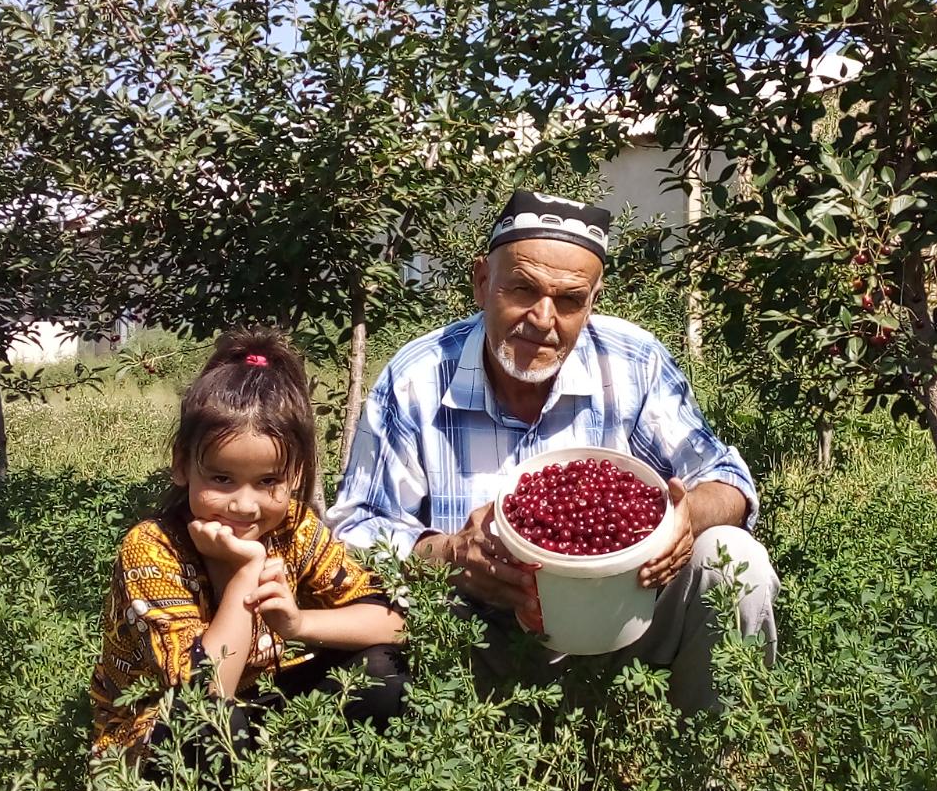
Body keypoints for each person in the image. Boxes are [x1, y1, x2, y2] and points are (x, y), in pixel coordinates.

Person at [327, 191, 778, 714]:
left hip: (625, 618)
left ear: (593, 299)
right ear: (481, 283)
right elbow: (354, 527)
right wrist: (448, 553)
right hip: (483, 636)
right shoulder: (417, 377)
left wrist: (687, 518)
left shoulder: (634, 361)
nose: (543, 319)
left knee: (734, 558)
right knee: (377, 663)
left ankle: (713, 767)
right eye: (522, 289)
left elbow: (726, 479)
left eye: (569, 300)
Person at [89, 329, 407, 767]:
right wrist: (245, 570)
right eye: (221, 479)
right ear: (182, 465)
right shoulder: (152, 548)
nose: (243, 504)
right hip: (156, 740)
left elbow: (392, 624)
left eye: (267, 482)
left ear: (296, 475)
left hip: (258, 710)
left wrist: (297, 623)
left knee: (382, 670)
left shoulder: (295, 527)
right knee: (213, 723)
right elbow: (205, 693)